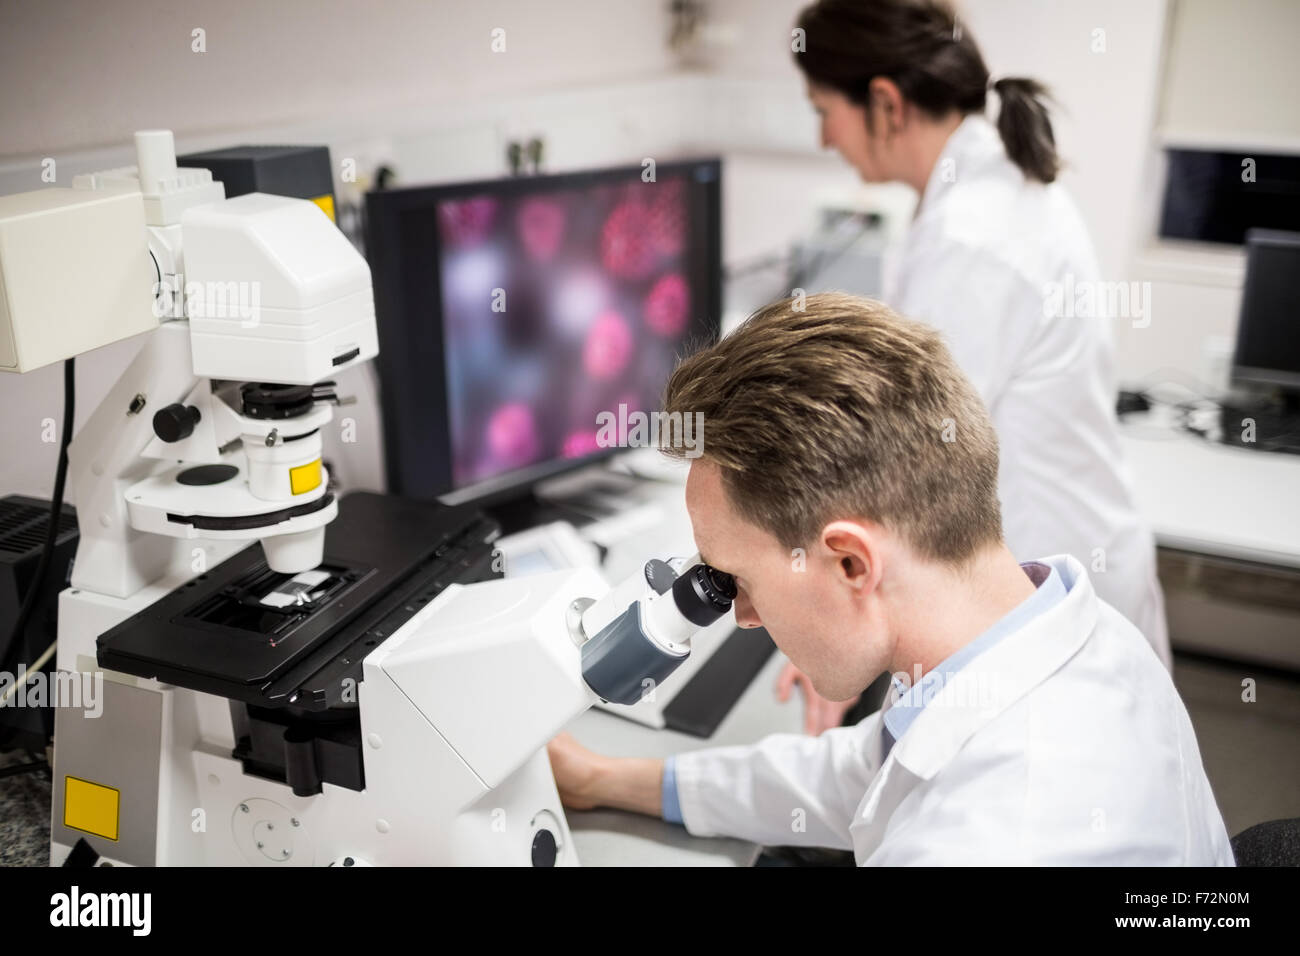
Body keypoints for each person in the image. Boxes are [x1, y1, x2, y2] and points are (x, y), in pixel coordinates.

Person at [548, 293, 1232, 865]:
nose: (745, 616)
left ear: (851, 562)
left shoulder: (991, 840)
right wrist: (605, 778)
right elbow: (857, 775)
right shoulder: (1078, 638)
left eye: (739, 581)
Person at [777, 0, 1170, 732]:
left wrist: (826, 632)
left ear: (886, 103)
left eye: (823, 109)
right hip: (1057, 560)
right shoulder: (977, 198)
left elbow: (910, 463)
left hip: (1046, 591)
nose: (824, 136)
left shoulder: (974, 237)